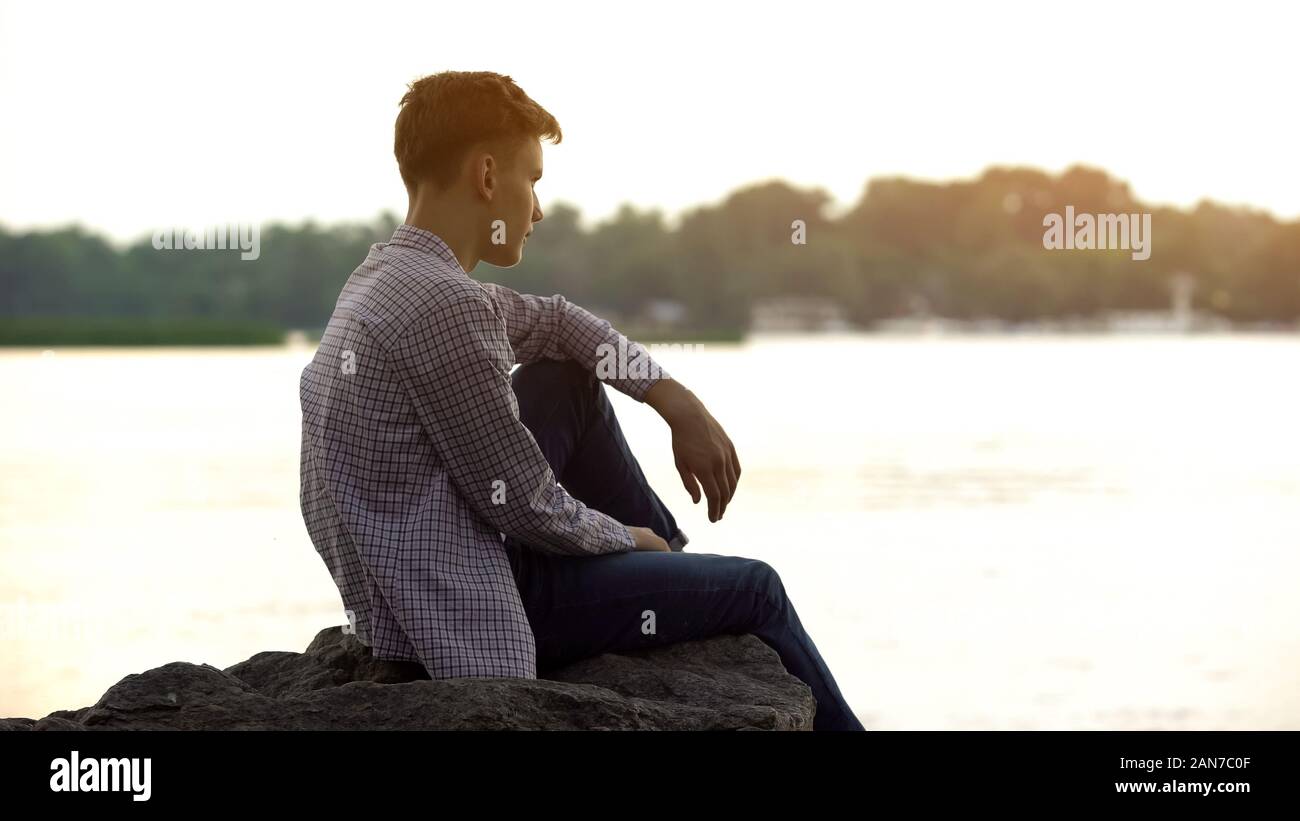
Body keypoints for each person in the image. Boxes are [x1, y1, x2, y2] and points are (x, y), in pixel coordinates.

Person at [298, 70, 865, 730]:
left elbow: (559, 322)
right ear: (487, 176)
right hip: (468, 602)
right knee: (757, 587)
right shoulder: (445, 307)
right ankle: (676, 575)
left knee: (563, 375)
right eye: (532, 179)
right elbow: (530, 504)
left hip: (424, 573)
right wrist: (629, 537)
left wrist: (672, 397)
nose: (536, 209)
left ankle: (675, 578)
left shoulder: (386, 277)